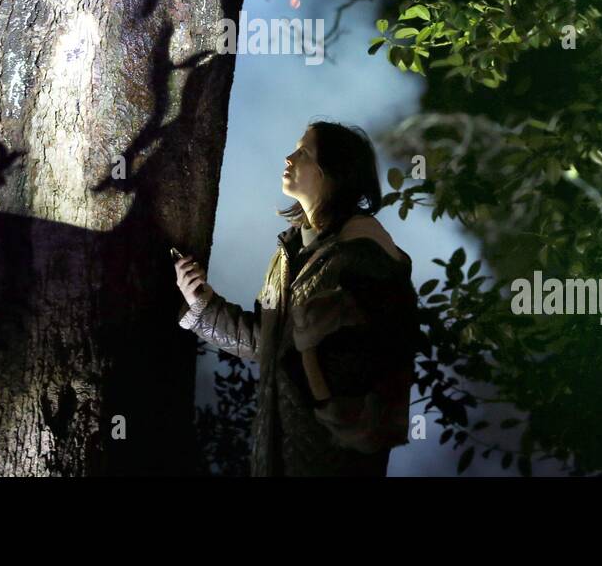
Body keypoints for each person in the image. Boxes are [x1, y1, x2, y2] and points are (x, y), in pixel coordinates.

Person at [174, 119, 419, 476]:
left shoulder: (366, 255)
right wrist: (202, 305)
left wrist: (328, 405)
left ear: (332, 172)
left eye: (303, 152)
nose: (289, 158)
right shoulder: (291, 252)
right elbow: (268, 342)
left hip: (334, 461)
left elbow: (382, 361)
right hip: (278, 455)